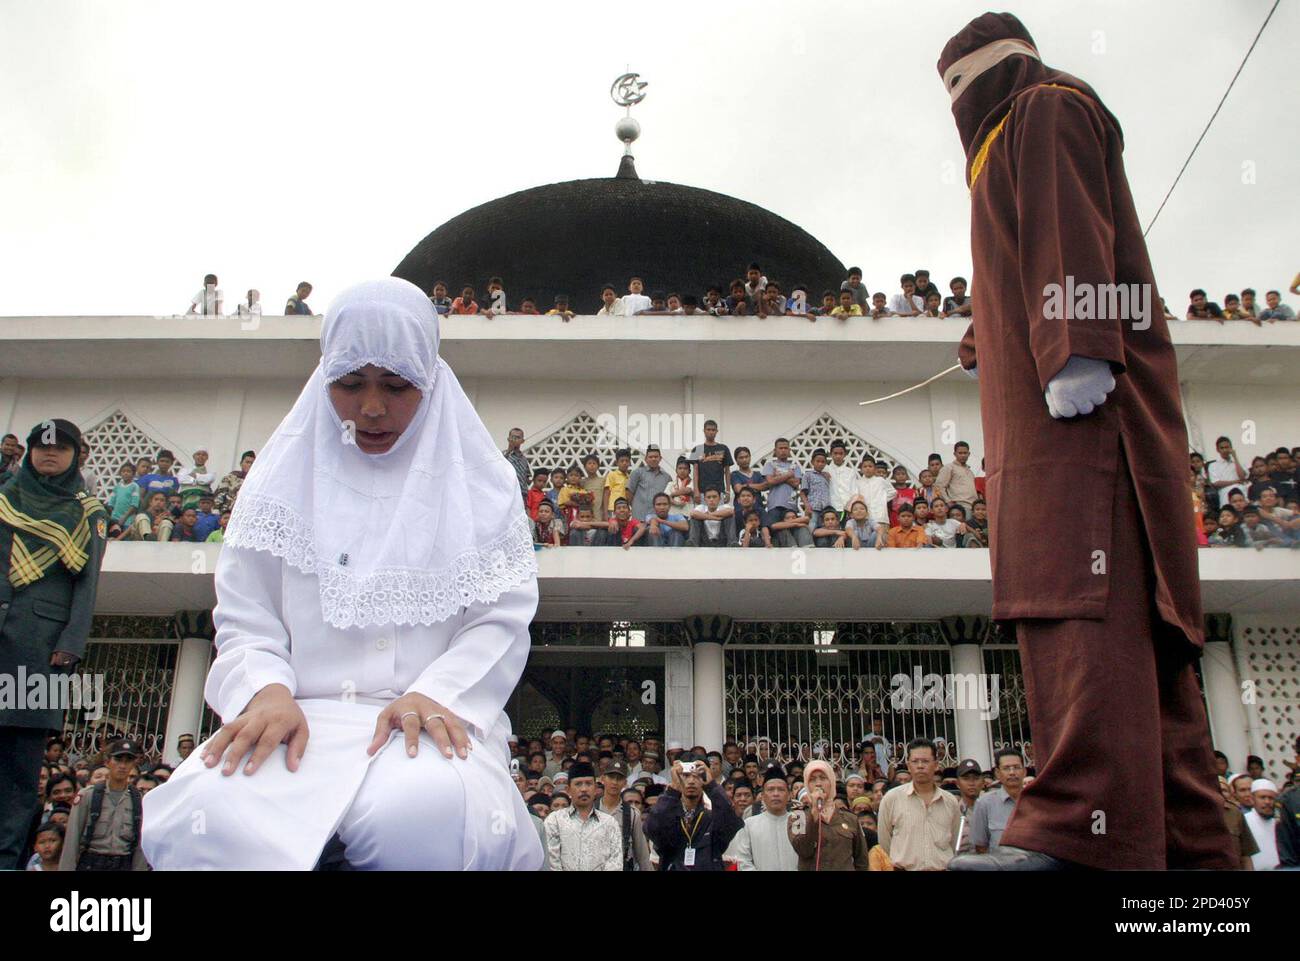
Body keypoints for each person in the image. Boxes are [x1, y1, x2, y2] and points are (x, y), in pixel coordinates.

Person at [937, 12, 1235, 871]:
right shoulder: (1002, 142)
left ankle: (1080, 833)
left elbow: (1068, 234)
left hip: (1079, 437)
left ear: (1000, 67)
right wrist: (984, 338)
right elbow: (1023, 264)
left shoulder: (1044, 110)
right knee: (1148, 661)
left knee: (1081, 609)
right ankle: (1188, 859)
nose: (955, 104)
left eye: (962, 84)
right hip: (1046, 433)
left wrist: (1073, 346)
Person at [140, 279, 542, 870]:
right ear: (325, 376)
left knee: (418, 811)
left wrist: (437, 692)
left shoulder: (482, 484)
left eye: (397, 386)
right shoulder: (281, 478)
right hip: (297, 713)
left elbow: (500, 618)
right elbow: (246, 613)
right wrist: (265, 690)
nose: (372, 407)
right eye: (350, 384)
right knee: (214, 812)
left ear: (429, 382)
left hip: (430, 719)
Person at [0, 418, 108, 870]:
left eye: (60, 449)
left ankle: (7, 859)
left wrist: (71, 643)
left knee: (20, 767)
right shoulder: (5, 497)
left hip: (39, 646)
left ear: (75, 456)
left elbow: (87, 584)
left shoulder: (88, 511)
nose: (49, 454)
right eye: (41, 447)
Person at [59, 738, 149, 871]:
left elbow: (140, 846)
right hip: (92, 862)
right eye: (118, 760)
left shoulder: (138, 800)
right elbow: (72, 840)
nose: (123, 766)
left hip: (123, 863)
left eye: (128, 761)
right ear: (107, 762)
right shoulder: (89, 795)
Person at [643, 756, 744, 871]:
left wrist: (711, 786)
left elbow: (731, 821)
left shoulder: (712, 818)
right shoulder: (668, 815)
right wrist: (672, 790)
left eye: (696, 776)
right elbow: (651, 828)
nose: (691, 781)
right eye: (686, 775)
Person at [877, 738, 962, 871]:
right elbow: (884, 840)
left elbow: (954, 839)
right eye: (915, 761)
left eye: (925, 761)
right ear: (908, 765)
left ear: (936, 765)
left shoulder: (950, 801)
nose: (920, 766)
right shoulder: (892, 798)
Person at [787, 759, 869, 871]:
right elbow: (803, 850)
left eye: (823, 778)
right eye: (812, 779)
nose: (818, 783)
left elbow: (862, 862)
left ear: (831, 781)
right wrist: (814, 812)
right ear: (807, 785)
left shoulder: (850, 818)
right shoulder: (798, 816)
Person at [543, 761, 622, 871]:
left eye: (588, 783)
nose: (584, 789)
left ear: (595, 788)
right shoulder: (555, 820)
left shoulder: (609, 823)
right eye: (578, 784)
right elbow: (552, 862)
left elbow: (615, 863)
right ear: (568, 790)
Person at [726, 764, 798, 871]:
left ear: (789, 795)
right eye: (771, 789)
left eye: (781, 789)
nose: (776, 794)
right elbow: (742, 860)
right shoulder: (749, 825)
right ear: (763, 796)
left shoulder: (799, 822)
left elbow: (808, 857)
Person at [595, 759, 652, 871]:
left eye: (619, 778)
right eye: (611, 777)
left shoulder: (632, 813)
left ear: (625, 782)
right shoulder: (590, 809)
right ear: (603, 779)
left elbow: (643, 855)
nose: (615, 782)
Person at [969, 748, 1024, 853]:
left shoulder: (1036, 801)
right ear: (997, 773)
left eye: (1017, 767)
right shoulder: (984, 803)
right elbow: (980, 847)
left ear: (1024, 771)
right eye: (1006, 768)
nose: (1012, 772)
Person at [1243, 779, 1280, 871]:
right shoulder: (1244, 821)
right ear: (1252, 799)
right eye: (1262, 797)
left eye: (1271, 798)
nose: (1267, 802)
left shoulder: (1279, 824)